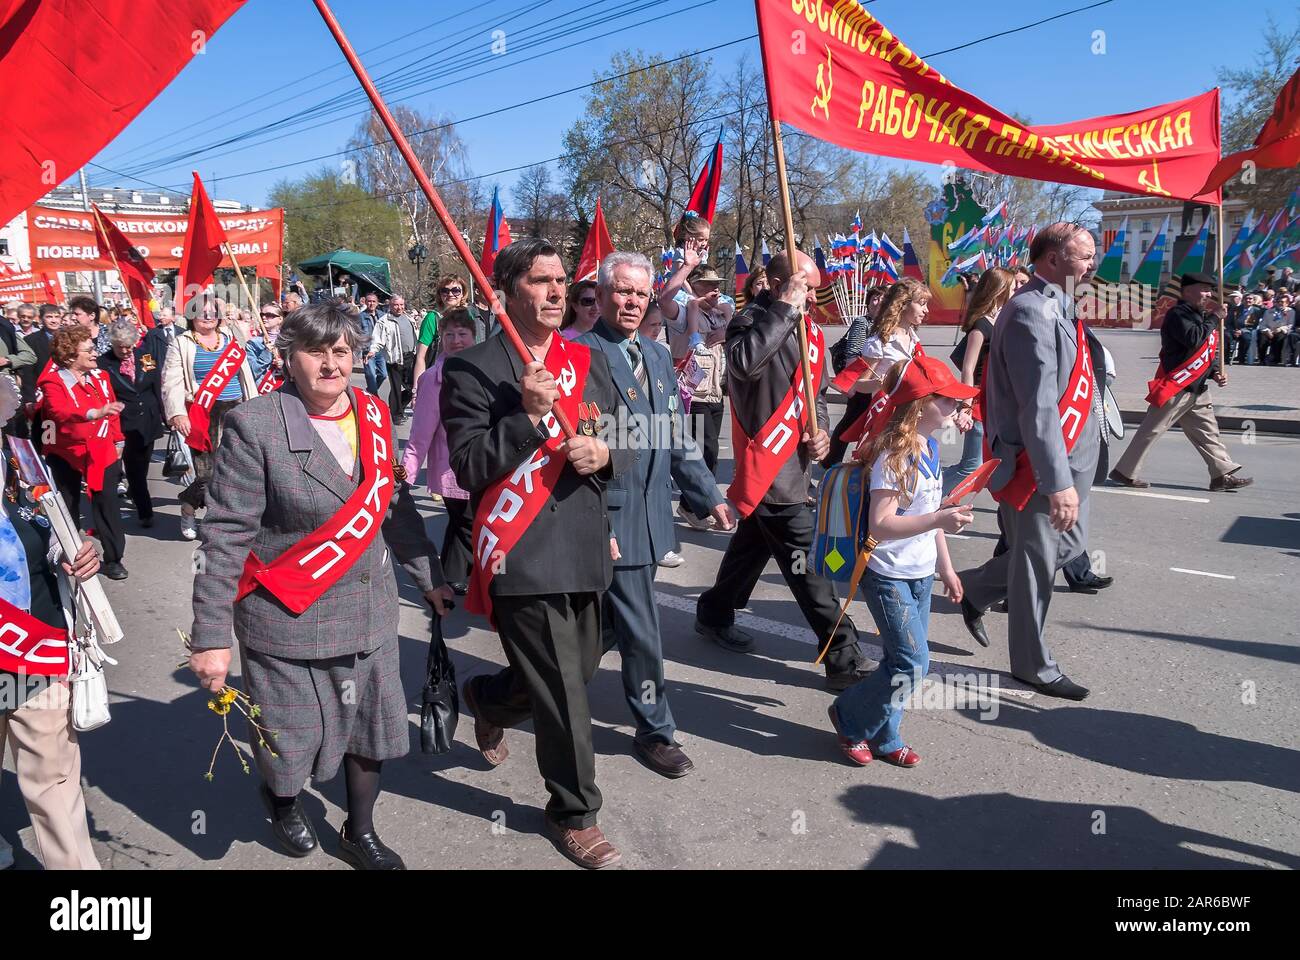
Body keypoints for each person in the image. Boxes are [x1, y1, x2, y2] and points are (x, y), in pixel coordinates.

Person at [188, 302, 453, 870]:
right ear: (288, 358)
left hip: (368, 613)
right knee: (290, 741)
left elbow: (392, 506)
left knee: (370, 732)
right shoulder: (255, 424)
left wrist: (428, 575)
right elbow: (225, 536)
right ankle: (282, 801)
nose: (332, 365)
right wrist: (210, 636)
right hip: (286, 616)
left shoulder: (375, 414)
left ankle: (360, 831)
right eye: (317, 351)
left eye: (342, 352)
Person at [442, 237, 630, 869]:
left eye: (561, 281)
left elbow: (619, 437)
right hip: (521, 549)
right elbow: (467, 467)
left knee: (569, 675)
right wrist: (525, 418)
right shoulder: (471, 368)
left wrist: (604, 455)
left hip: (584, 541)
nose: (556, 293)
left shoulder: (586, 357)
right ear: (508, 292)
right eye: (541, 282)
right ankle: (573, 812)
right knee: (563, 690)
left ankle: (489, 700)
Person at [577, 251, 733, 778]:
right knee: (641, 629)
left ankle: (511, 694)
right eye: (622, 291)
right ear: (600, 296)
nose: (633, 301)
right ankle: (656, 730)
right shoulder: (579, 355)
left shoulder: (657, 355)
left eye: (641, 293)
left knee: (606, 631)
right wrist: (599, 521)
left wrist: (708, 493)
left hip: (649, 518)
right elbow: (584, 448)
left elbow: (674, 434)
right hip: (608, 517)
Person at [694, 251, 873, 691]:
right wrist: (784, 310)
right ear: (776, 285)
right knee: (805, 562)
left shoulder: (809, 327)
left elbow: (820, 392)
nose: (812, 298)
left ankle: (714, 611)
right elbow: (741, 366)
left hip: (795, 462)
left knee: (752, 545)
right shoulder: (749, 320)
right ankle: (842, 653)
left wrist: (824, 434)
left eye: (813, 290)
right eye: (804, 288)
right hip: (768, 467)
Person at [956, 223, 1101, 701]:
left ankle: (977, 588)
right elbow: (1037, 406)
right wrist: (1055, 481)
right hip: (1036, 465)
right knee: (1038, 563)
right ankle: (1032, 665)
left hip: (1073, 453)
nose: (1092, 265)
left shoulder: (1062, 303)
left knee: (1062, 550)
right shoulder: (1028, 312)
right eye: (1084, 256)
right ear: (1053, 259)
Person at [827, 357, 976, 768]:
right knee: (913, 662)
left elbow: (931, 518)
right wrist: (940, 518)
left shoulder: (928, 446)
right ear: (919, 403)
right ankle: (850, 716)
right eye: (946, 400)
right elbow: (881, 524)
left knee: (900, 662)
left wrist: (946, 565)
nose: (954, 408)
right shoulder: (894, 454)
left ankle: (887, 734)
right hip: (888, 573)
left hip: (921, 572)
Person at [0, 450, 103, 870]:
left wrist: (79, 549)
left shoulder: (21, 460)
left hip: (32, 654)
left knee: (56, 784)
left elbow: (52, 529)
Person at [1110, 272, 1252, 492]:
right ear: (1187, 291)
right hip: (1177, 386)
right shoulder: (1178, 314)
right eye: (1203, 289)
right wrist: (1215, 318)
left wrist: (1215, 372)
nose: (1209, 293)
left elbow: (1208, 350)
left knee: (1208, 433)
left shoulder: (1203, 315)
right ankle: (1125, 472)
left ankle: (1221, 474)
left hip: (1198, 388)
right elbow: (1194, 339)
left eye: (1209, 289)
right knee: (1151, 431)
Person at [37, 326, 128, 580]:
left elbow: (113, 410)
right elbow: (59, 413)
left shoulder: (101, 377)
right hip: (66, 451)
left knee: (107, 503)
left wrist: (118, 440)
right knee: (67, 505)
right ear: (69, 357)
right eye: (88, 350)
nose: (95, 353)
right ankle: (66, 553)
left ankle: (114, 559)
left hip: (101, 449)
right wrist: (92, 414)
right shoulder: (53, 381)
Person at [162, 304, 259, 540]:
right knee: (207, 474)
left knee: (237, 469)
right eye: (201, 312)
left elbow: (245, 374)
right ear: (191, 316)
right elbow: (171, 381)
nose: (208, 316)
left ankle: (224, 521)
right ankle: (188, 503)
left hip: (236, 408)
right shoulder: (182, 342)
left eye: (212, 312)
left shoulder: (229, 338)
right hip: (202, 411)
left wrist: (255, 405)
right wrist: (177, 413)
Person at [401, 307, 478, 594]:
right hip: (453, 471)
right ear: (440, 339)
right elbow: (419, 435)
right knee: (469, 525)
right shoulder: (433, 380)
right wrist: (405, 476)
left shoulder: (487, 369)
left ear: (474, 336)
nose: (456, 340)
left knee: (464, 526)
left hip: (487, 467)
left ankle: (451, 574)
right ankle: (481, 580)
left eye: (462, 334)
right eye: (449, 335)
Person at [943, 267, 1016, 493]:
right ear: (1000, 290)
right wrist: (965, 406)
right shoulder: (980, 326)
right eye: (1013, 287)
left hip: (996, 402)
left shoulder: (1000, 321)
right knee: (971, 465)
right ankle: (926, 498)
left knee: (992, 463)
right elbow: (967, 369)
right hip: (978, 403)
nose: (1016, 291)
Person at [99, 317, 164, 529]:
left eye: (129, 347)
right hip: (125, 423)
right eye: (120, 348)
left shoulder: (145, 356)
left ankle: (136, 492)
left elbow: (155, 384)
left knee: (143, 466)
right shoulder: (104, 363)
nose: (126, 351)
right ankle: (145, 511)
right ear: (113, 344)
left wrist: (164, 415)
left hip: (150, 420)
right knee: (135, 470)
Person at [823, 285, 886, 467]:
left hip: (876, 383)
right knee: (850, 423)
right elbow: (852, 355)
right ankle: (831, 461)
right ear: (868, 304)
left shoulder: (887, 324)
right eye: (874, 298)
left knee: (860, 423)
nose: (878, 301)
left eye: (882, 298)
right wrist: (853, 386)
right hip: (862, 382)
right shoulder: (862, 323)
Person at [412, 274, 479, 393]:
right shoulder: (432, 318)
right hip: (439, 381)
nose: (450, 294)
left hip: (466, 379)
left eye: (455, 290)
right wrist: (416, 390)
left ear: (463, 293)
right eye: (445, 290)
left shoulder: (471, 316)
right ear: (440, 294)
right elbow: (421, 356)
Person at [372, 295, 416, 423]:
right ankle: (396, 415)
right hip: (395, 358)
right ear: (390, 306)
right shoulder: (384, 321)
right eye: (396, 305)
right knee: (396, 387)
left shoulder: (408, 318)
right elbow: (378, 339)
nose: (399, 307)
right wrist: (372, 350)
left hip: (410, 357)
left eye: (401, 305)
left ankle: (397, 407)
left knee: (413, 387)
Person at [357, 292, 387, 395]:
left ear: (377, 303)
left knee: (383, 374)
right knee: (371, 376)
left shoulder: (383, 316)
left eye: (374, 301)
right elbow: (357, 335)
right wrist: (360, 352)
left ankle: (370, 391)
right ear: (365, 302)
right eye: (369, 301)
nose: (371, 303)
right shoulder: (360, 317)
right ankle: (374, 397)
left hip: (380, 351)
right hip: (368, 351)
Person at [1257, 291, 1294, 365]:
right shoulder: (1268, 311)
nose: (1280, 303)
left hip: (1281, 331)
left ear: (1287, 303)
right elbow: (1262, 324)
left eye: (1282, 302)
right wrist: (1267, 331)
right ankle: (1261, 359)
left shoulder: (1291, 312)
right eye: (1279, 301)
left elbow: (1291, 325)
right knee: (1262, 338)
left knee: (1280, 337)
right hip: (1269, 331)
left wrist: (1281, 329)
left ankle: (1275, 359)